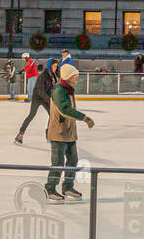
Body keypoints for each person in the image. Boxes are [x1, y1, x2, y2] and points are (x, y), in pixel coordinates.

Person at [46, 63, 94, 201]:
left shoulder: (68, 90)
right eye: (75, 75)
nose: (77, 77)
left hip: (69, 132)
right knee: (58, 162)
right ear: (67, 76)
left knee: (73, 161)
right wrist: (84, 118)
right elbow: (65, 110)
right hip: (59, 132)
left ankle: (67, 187)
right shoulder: (59, 91)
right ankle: (50, 189)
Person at [16, 57, 58, 143]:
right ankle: (20, 134)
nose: (56, 67)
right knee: (32, 114)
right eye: (54, 66)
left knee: (52, 114)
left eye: (56, 66)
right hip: (37, 97)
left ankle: (48, 133)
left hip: (45, 97)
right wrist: (50, 100)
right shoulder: (43, 75)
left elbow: (52, 88)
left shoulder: (53, 75)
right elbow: (40, 91)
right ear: (50, 66)